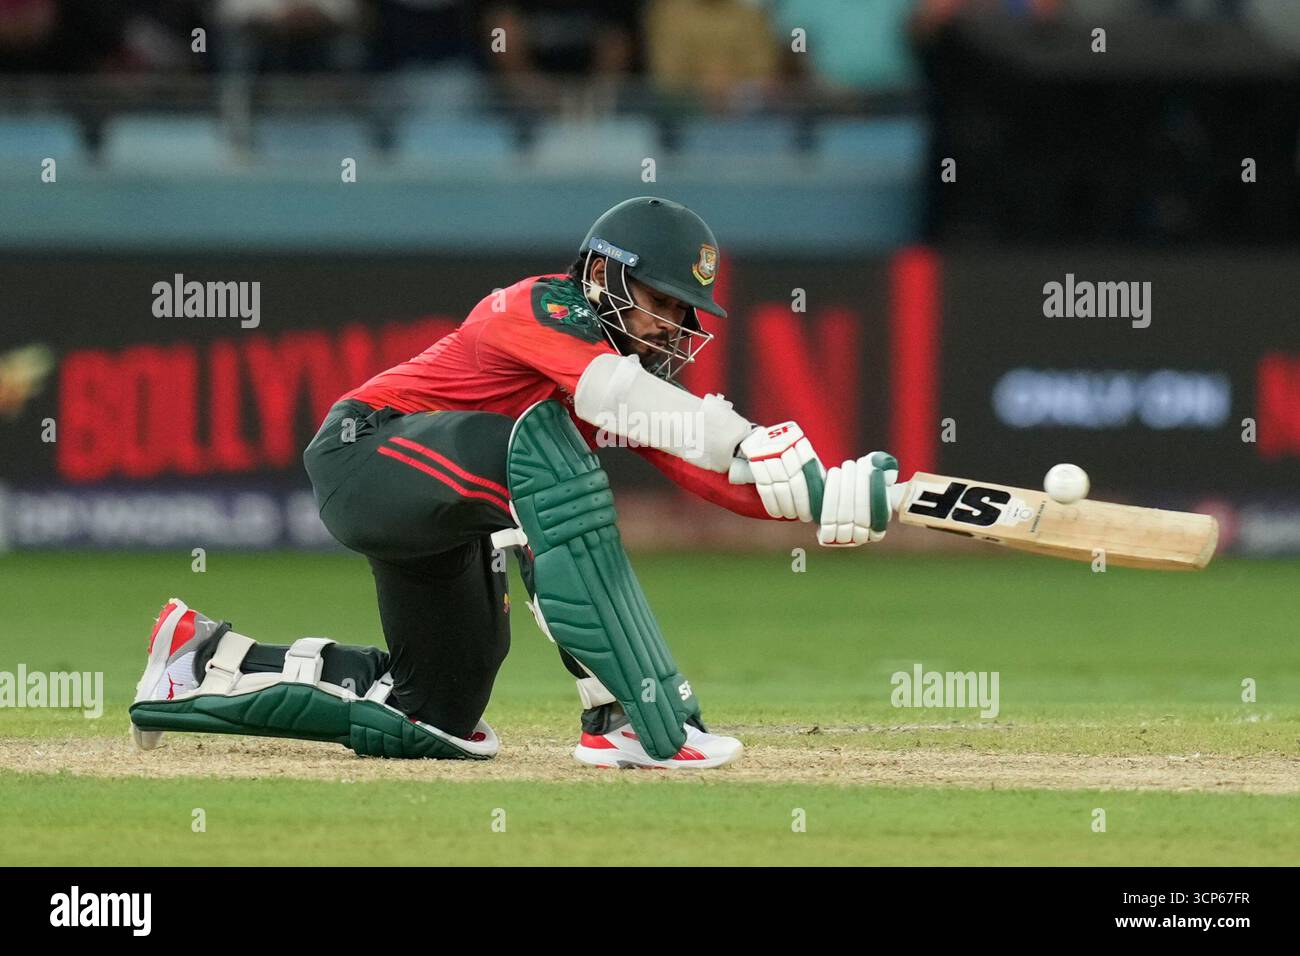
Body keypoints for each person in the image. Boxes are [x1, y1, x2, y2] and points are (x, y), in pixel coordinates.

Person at [128, 196, 899, 770]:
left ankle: (195, 662)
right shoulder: (537, 306)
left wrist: (827, 495)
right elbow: (619, 401)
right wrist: (750, 436)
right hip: (365, 457)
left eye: (686, 312)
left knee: (435, 718)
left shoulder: (628, 379)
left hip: (449, 510)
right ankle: (630, 716)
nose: (674, 326)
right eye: (664, 302)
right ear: (603, 275)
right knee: (542, 455)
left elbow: (703, 467)